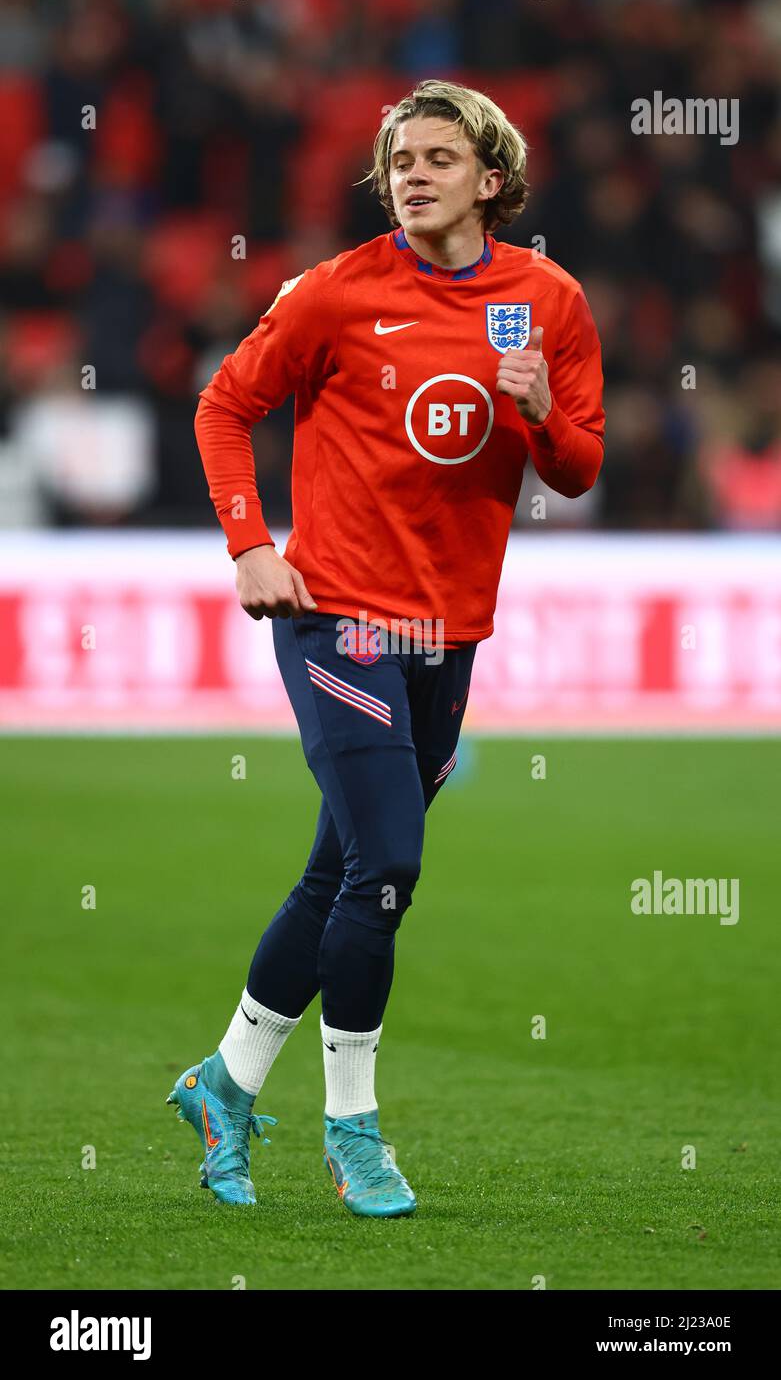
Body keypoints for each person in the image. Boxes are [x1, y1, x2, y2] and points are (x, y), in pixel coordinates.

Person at [170, 79, 605, 1217]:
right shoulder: (335, 292)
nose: (410, 174)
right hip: (336, 619)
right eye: (398, 159)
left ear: (491, 179)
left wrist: (541, 410)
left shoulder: (547, 302)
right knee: (390, 869)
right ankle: (353, 1132)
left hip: (444, 634)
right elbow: (224, 404)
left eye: (436, 158)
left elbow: (577, 467)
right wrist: (249, 545)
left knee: (339, 875)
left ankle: (224, 1083)